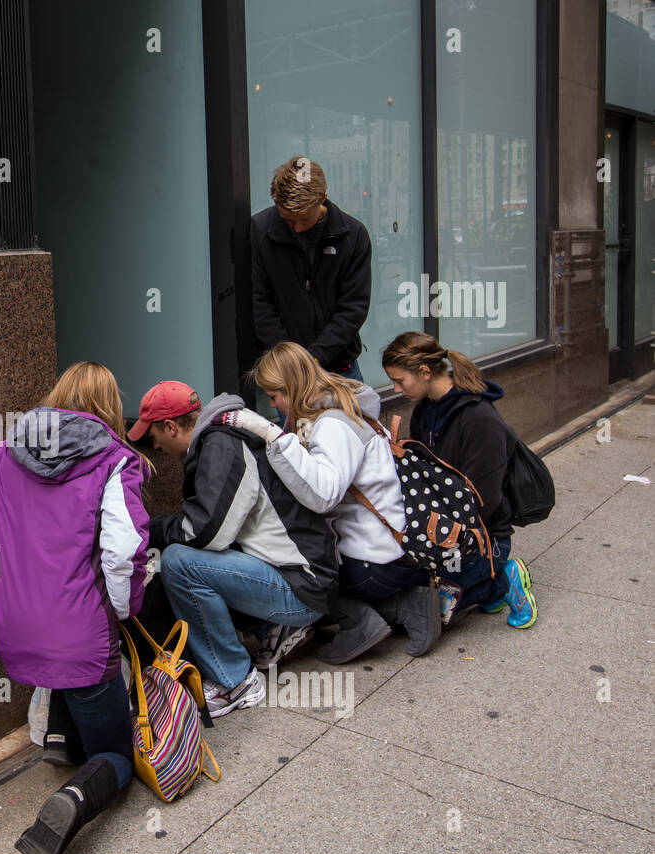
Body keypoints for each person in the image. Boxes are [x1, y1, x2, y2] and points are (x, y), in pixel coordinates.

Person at [0, 361, 149, 854]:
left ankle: (60, 736)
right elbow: (124, 553)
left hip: (17, 629)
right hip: (81, 633)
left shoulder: (0, 455)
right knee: (117, 757)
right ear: (107, 406)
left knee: (66, 671)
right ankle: (71, 800)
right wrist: (118, 608)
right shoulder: (115, 460)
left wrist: (8, 583)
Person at [129, 381, 338, 716]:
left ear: (170, 426)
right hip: (300, 575)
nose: (153, 443)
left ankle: (235, 681)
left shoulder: (221, 445)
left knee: (180, 562)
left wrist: (149, 530)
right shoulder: (221, 438)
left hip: (303, 586)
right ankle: (273, 630)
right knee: (191, 560)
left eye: (153, 434)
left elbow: (207, 534)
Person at [229, 342, 441, 663]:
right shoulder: (345, 407)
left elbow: (323, 495)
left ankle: (368, 619)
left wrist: (271, 435)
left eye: (274, 397)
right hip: (396, 548)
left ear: (291, 388)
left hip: (376, 561)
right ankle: (409, 602)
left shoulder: (332, 423)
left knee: (306, 581)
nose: (274, 406)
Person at [380, 331, 537, 628]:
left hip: (482, 537)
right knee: (411, 593)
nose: (396, 389)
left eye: (400, 380)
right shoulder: (424, 410)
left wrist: (437, 546)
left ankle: (503, 579)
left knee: (426, 609)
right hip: (443, 528)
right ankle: (484, 591)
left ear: (425, 372)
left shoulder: (480, 419)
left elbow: (484, 501)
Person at [251, 156, 372, 383]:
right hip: (288, 373)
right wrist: (291, 362)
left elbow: (353, 308)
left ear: (323, 199)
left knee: (350, 420)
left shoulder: (353, 235)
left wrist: (314, 358)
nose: (296, 228)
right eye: (288, 220)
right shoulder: (261, 231)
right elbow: (261, 305)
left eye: (303, 220)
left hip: (340, 367)